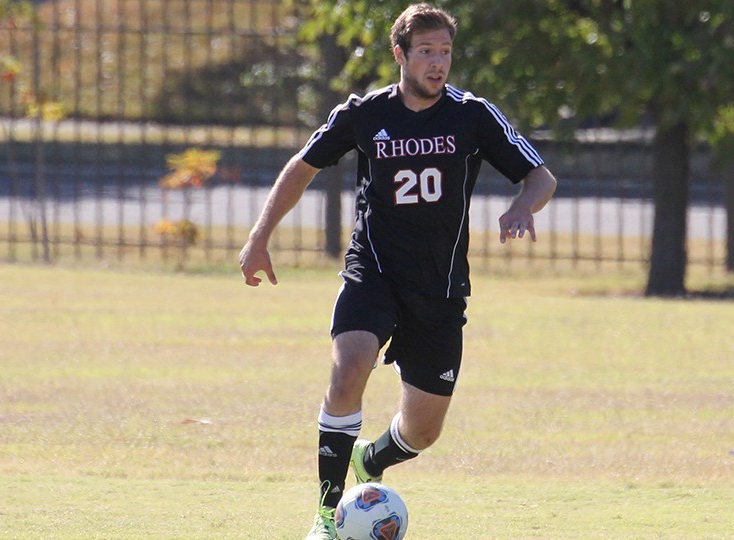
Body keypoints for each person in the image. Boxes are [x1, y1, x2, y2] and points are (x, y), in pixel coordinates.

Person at [237, 4, 557, 538]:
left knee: (423, 431)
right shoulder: (364, 114)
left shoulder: (472, 115)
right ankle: (326, 516)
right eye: (427, 51)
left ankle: (371, 460)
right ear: (400, 55)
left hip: (439, 287)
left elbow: (541, 177)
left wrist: (525, 204)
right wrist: (259, 237)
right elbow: (302, 167)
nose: (438, 63)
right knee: (349, 369)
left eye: (446, 52)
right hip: (374, 270)